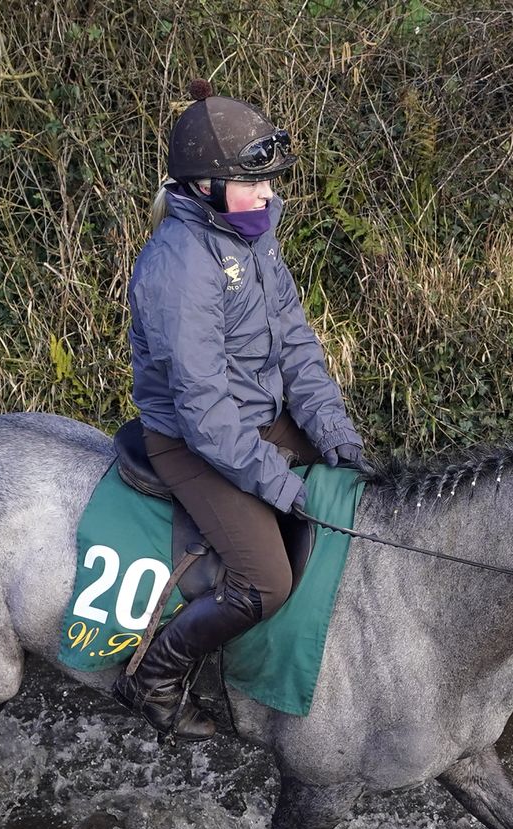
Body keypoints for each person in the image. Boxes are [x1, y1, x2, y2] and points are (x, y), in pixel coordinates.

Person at [117, 80, 367, 740]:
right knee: (265, 581)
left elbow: (295, 342)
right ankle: (156, 676)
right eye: (252, 184)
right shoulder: (178, 267)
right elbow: (205, 414)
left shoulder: (252, 237)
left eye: (271, 183)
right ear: (204, 187)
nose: (268, 195)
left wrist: (333, 430)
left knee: (369, 487)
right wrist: (282, 486)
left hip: (259, 417)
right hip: (195, 441)